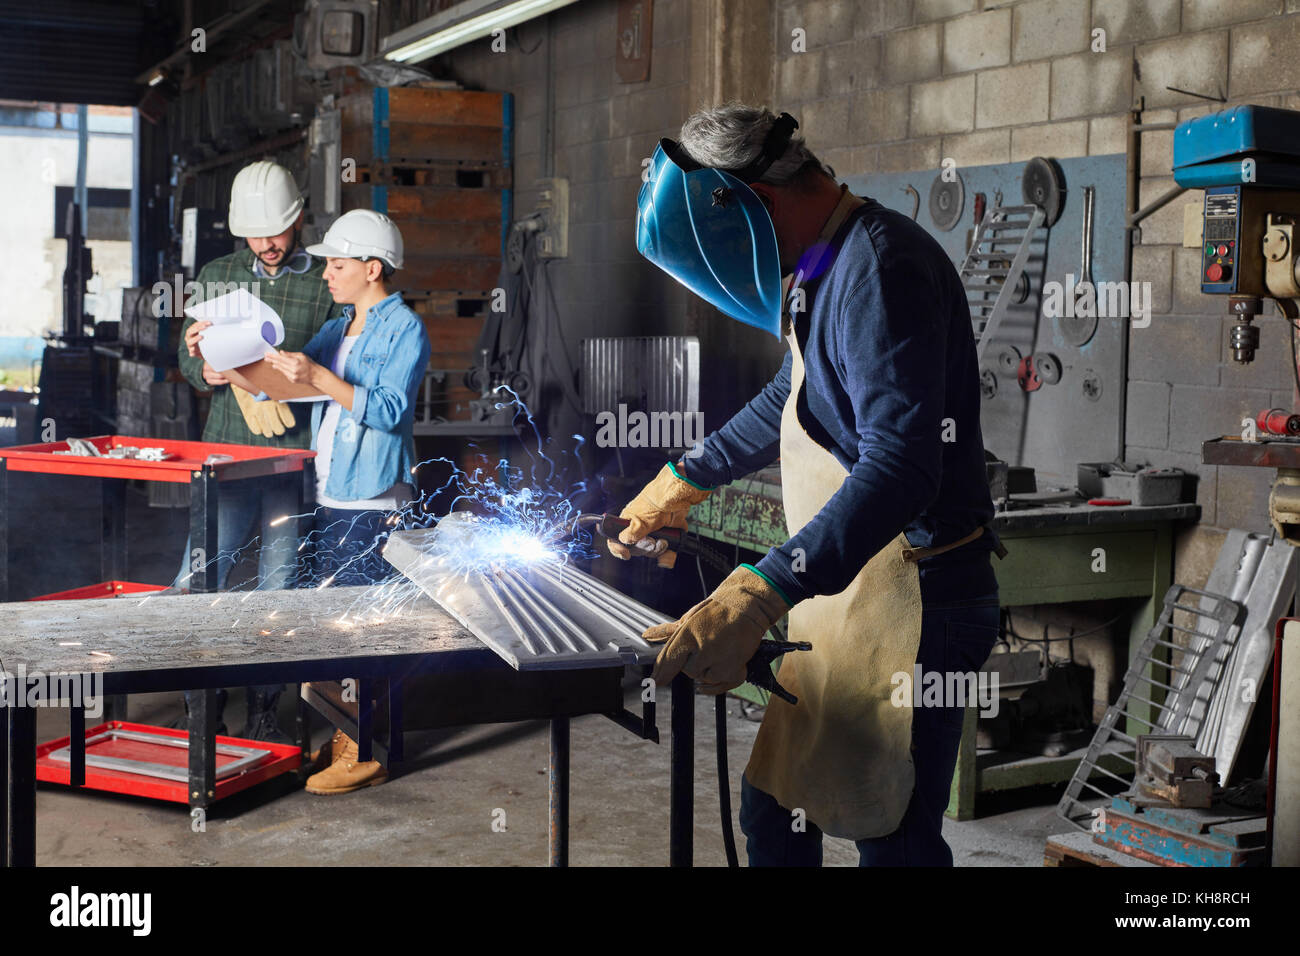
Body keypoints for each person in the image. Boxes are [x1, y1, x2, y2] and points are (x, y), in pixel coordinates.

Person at [615, 104, 1004, 866]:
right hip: (850, 598)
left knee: (890, 831)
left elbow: (900, 466)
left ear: (755, 206)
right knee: (776, 812)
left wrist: (759, 592)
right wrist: (684, 478)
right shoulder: (823, 267)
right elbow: (789, 399)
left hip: (921, 604)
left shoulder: (880, 267)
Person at [252, 208, 430, 794]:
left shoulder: (405, 328)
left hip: (374, 500)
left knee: (364, 626)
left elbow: (387, 411)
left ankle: (369, 751)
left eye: (338, 263)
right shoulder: (341, 324)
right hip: (334, 492)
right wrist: (235, 367)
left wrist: (319, 377)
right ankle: (344, 739)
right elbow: (291, 381)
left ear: (372, 268)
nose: (327, 273)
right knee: (337, 621)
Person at [175, 159, 340, 741]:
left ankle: (265, 705)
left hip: (292, 458)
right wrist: (205, 370)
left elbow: (337, 365)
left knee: (280, 585)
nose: (267, 244)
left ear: (297, 220)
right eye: (255, 233)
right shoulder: (218, 274)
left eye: (276, 231)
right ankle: (201, 700)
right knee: (200, 579)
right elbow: (184, 361)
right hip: (224, 458)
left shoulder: (324, 279)